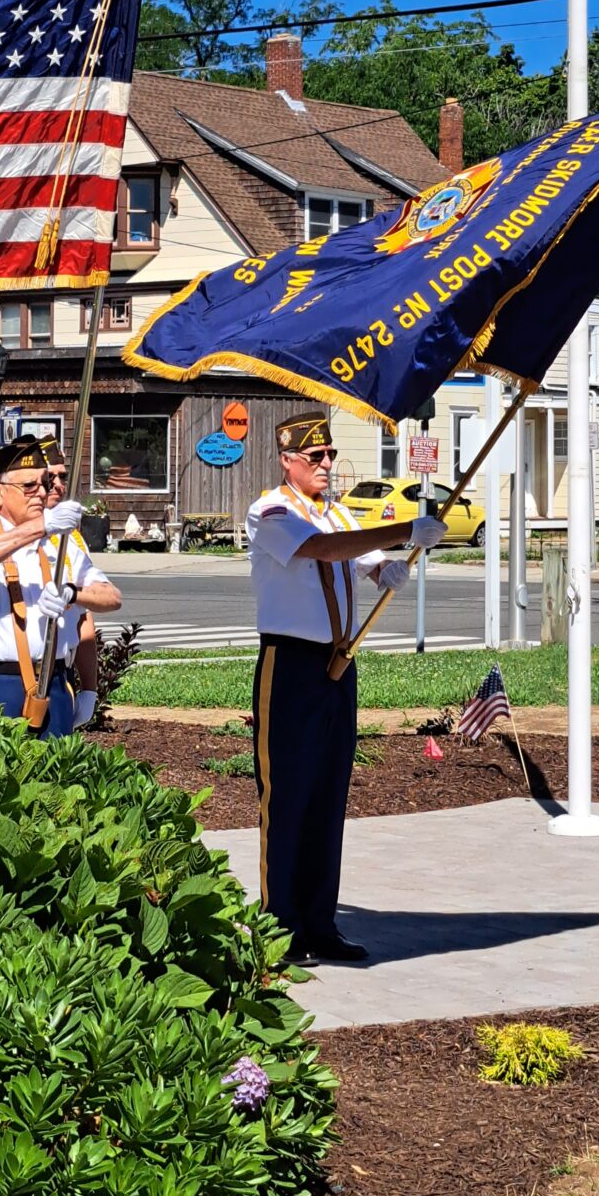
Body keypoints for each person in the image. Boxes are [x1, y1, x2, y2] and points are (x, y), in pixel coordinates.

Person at [246, 409, 445, 964]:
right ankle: (279, 929)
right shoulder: (271, 511)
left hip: (339, 663)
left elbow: (358, 556)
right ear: (288, 460)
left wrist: (384, 569)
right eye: (315, 457)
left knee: (329, 795)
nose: (326, 464)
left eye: (330, 455)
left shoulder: (335, 514)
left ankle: (319, 923)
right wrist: (404, 530)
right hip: (290, 666)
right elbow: (326, 551)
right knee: (285, 798)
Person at [0, 435, 121, 735]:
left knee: (57, 779)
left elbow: (111, 597)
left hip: (53, 682)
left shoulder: (60, 542)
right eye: (29, 486)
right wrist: (42, 526)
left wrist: (73, 594)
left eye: (45, 484)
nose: (41, 492)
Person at [42, 445, 122, 724]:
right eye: (48, 478)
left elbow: (85, 618)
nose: (57, 486)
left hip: (59, 673)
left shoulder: (71, 538)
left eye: (62, 478)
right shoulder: (8, 533)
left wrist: (89, 689)